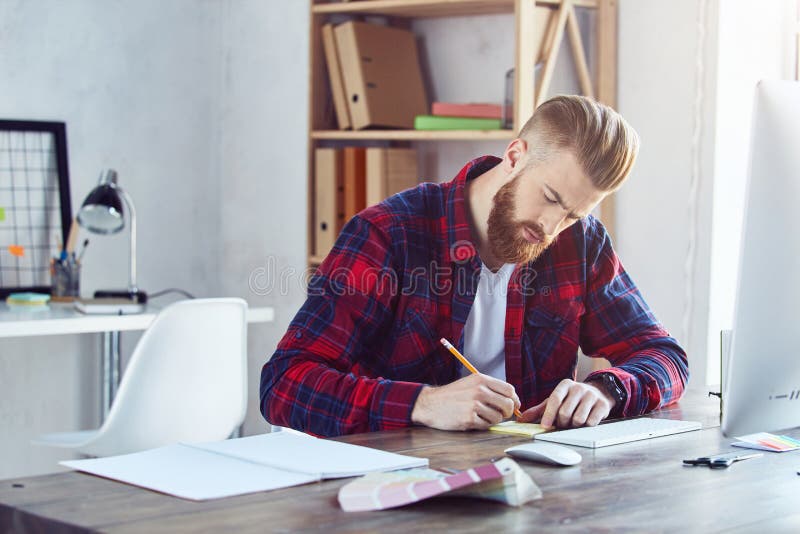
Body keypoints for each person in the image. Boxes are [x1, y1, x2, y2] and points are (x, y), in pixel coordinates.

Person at [260, 95, 688, 437]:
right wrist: (423, 404)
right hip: (398, 494)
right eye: (552, 198)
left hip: (534, 489)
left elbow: (665, 356)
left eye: (572, 214)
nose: (550, 227)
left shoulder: (581, 240)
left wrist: (608, 389)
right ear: (516, 155)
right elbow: (283, 384)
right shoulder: (389, 232)